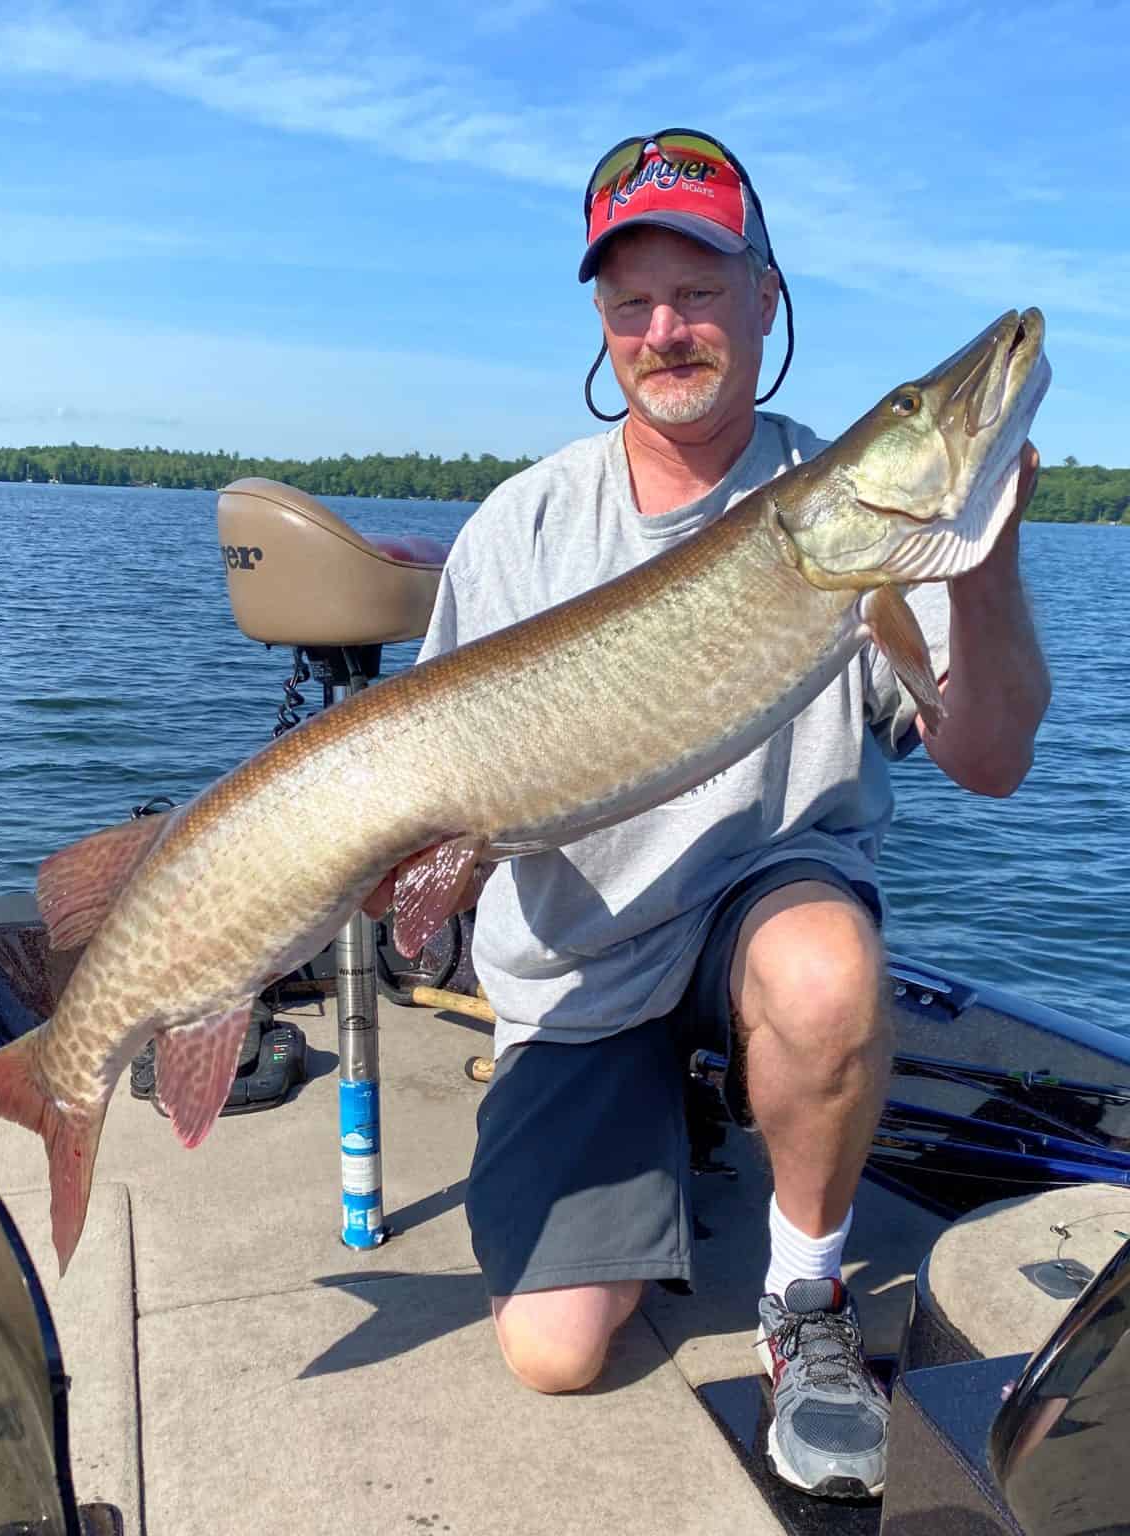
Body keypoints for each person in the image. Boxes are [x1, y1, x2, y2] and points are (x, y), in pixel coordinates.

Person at [410, 130, 1051, 1498]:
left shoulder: (857, 518)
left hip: (763, 912)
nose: (665, 328)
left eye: (697, 288)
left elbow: (990, 760)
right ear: (600, 324)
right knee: (554, 1351)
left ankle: (805, 1298)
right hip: (581, 968)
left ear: (766, 295)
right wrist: (416, 883)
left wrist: (986, 562)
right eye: (630, 300)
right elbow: (439, 821)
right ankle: (648, 1112)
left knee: (827, 970)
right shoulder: (521, 530)